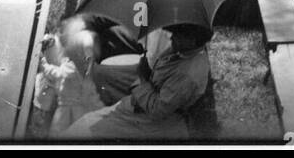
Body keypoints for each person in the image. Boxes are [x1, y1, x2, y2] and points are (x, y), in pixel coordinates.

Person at [64, 24, 213, 140]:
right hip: (137, 106)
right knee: (85, 123)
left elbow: (158, 110)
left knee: (80, 131)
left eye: (178, 35)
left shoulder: (188, 74)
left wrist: (142, 79)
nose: (172, 38)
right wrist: (148, 71)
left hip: (150, 121)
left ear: (192, 40)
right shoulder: (182, 52)